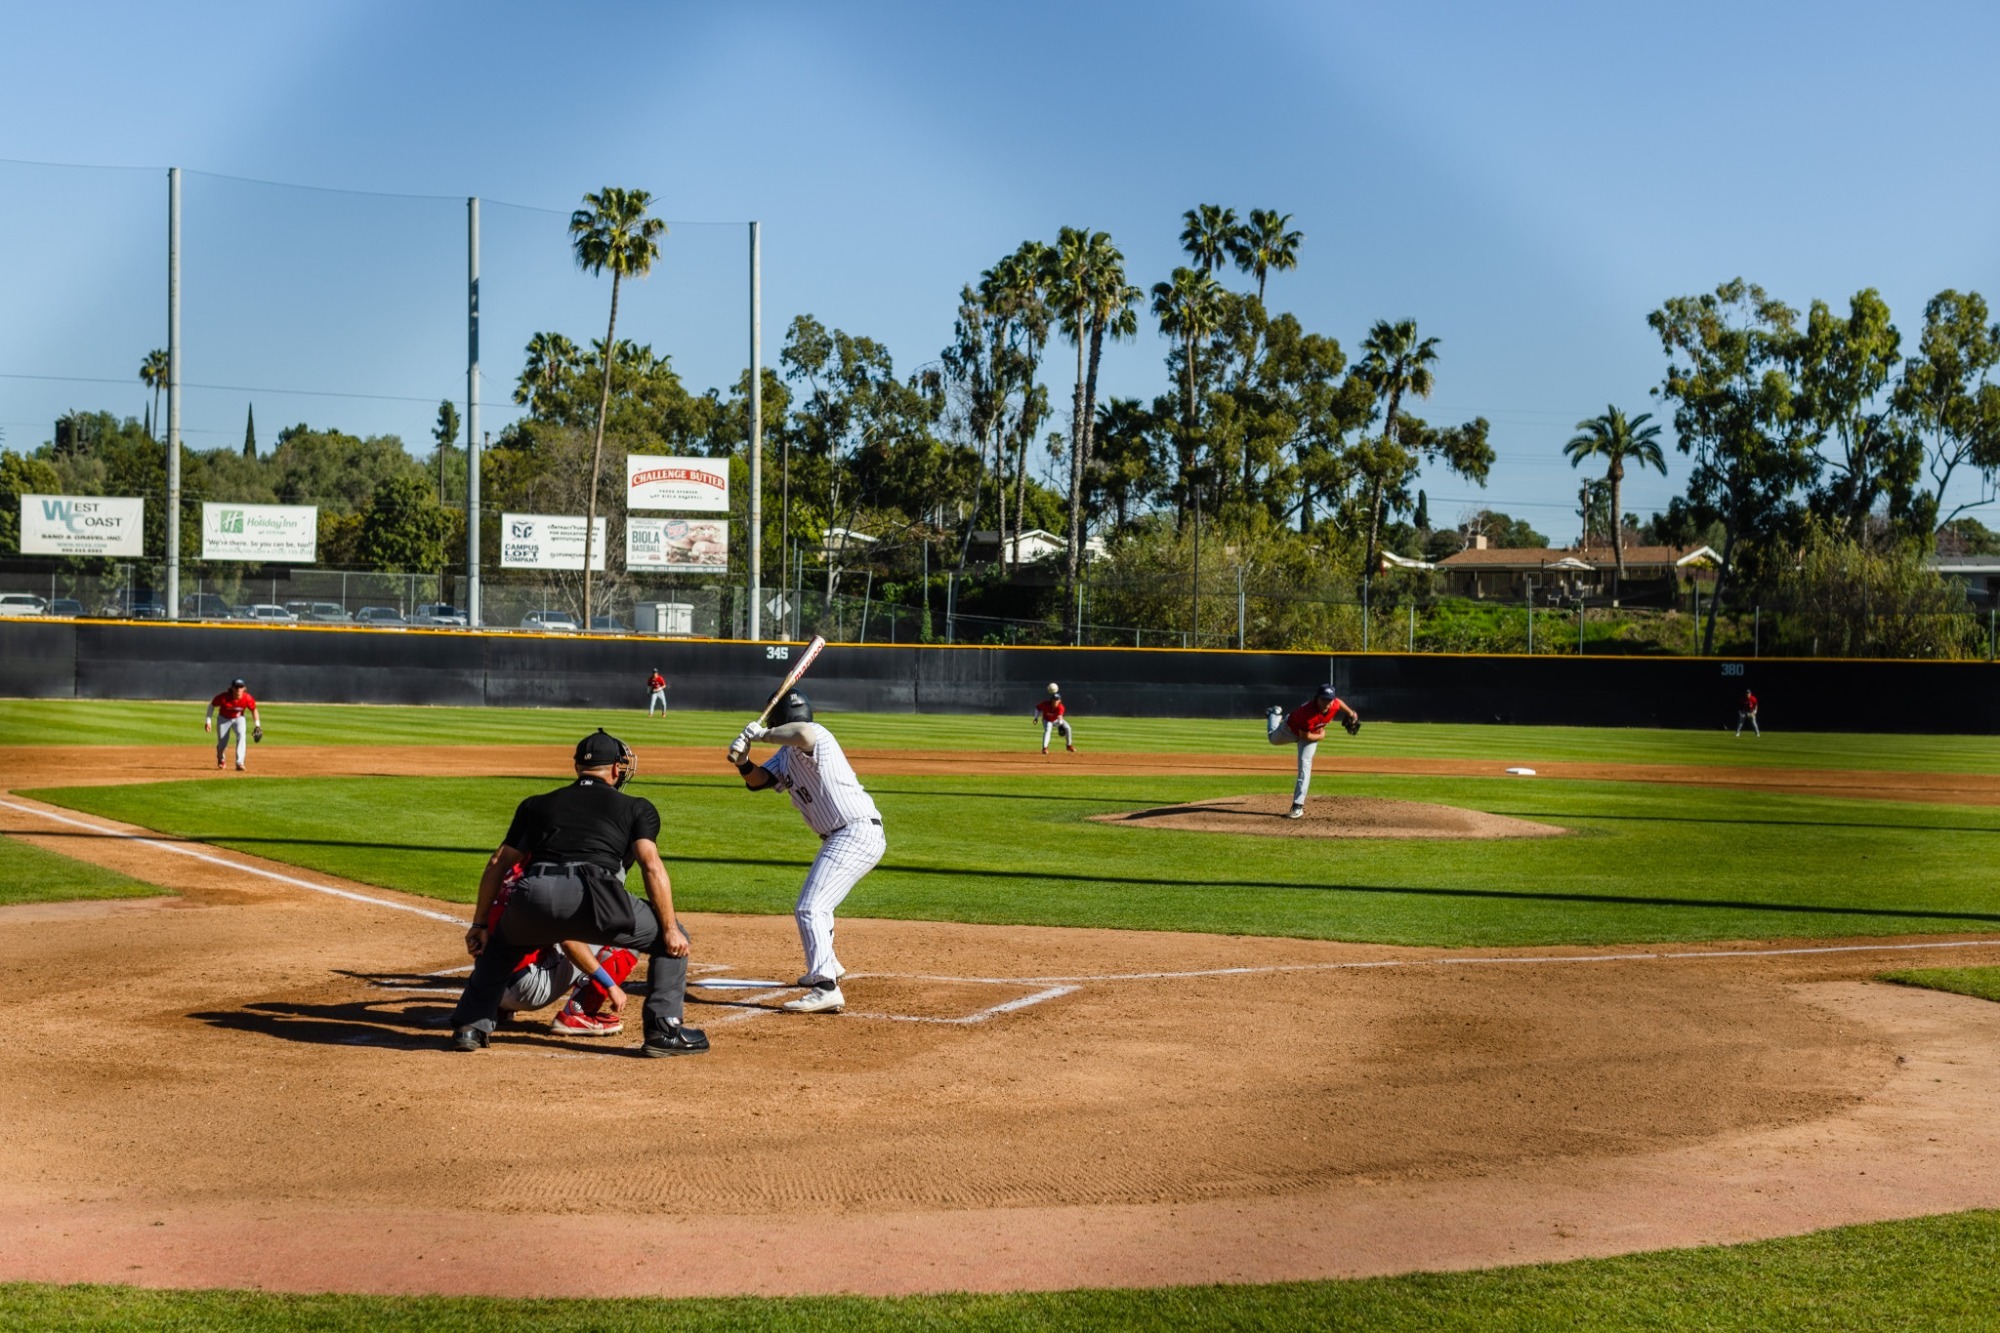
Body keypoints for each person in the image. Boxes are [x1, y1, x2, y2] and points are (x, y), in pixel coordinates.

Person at [447, 728, 707, 1056]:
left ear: (577, 768)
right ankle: (663, 1031)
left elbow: (499, 862)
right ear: (615, 769)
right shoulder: (636, 807)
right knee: (670, 939)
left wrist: (480, 924)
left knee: (501, 947)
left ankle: (470, 1027)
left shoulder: (536, 805)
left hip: (534, 893)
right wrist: (669, 929)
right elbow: (651, 865)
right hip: (597, 897)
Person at [726, 690, 884, 1015]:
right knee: (817, 904)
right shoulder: (786, 755)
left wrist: (763, 734)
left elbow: (804, 733)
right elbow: (760, 781)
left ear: (777, 720)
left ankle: (825, 986)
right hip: (844, 835)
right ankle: (831, 967)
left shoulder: (816, 736)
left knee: (810, 907)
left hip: (854, 831)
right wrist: (743, 761)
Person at [1265, 684, 1360, 820]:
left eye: (1329, 699)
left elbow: (1339, 703)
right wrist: (1322, 736)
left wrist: (1351, 713)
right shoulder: (1307, 713)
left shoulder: (1334, 703)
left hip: (1311, 734)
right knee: (1272, 739)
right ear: (1317, 699)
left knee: (1305, 765)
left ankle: (1298, 806)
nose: (1327, 703)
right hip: (1290, 730)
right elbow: (1305, 736)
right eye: (1324, 699)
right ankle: (1274, 715)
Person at [204, 678, 262, 771]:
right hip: (224, 719)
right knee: (222, 744)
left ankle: (240, 763)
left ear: (244, 688)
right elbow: (212, 705)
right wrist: (208, 721)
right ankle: (221, 758)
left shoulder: (247, 698)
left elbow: (254, 709)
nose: (238, 689)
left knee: (242, 735)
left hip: (239, 718)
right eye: (236, 687)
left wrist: (257, 725)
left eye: (241, 687)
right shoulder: (223, 697)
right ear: (232, 688)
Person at [1033, 683, 1075, 755]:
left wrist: (1060, 725)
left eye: (1057, 700)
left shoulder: (1060, 707)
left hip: (1056, 720)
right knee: (1048, 730)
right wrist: (1036, 717)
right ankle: (1045, 748)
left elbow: (1060, 717)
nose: (1055, 701)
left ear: (1059, 701)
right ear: (1051, 700)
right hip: (1047, 720)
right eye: (1054, 700)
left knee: (1068, 728)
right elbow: (1037, 708)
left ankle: (1069, 745)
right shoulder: (1045, 704)